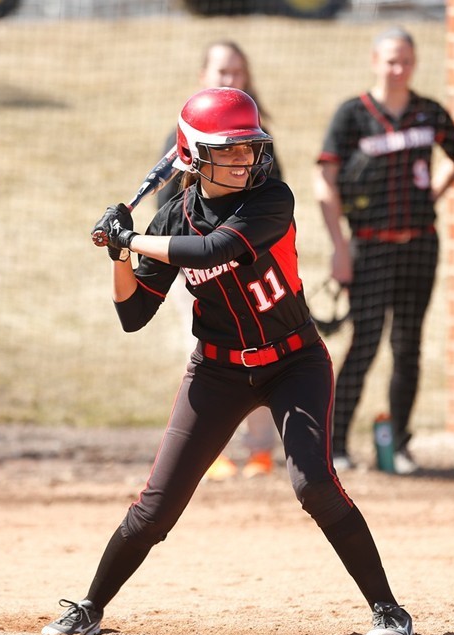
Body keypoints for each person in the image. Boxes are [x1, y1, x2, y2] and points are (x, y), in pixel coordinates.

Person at [43, 87, 414, 635]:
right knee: (156, 506)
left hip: (294, 361)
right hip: (217, 371)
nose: (245, 159)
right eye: (228, 150)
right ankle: (90, 607)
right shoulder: (173, 218)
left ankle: (388, 610)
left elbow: (215, 249)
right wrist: (120, 255)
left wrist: (133, 238)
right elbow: (133, 314)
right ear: (194, 155)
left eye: (249, 147)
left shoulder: (271, 198)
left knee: (314, 484)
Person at [315, 27, 454, 473]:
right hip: (370, 245)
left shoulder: (428, 112)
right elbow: (324, 180)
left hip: (419, 243)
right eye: (390, 60)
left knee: (408, 345)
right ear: (375, 61)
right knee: (364, 344)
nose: (398, 68)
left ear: (414, 63)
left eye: (405, 61)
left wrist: (433, 195)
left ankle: (399, 444)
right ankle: (335, 445)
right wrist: (339, 247)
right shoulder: (353, 115)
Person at [157, 40, 283, 480]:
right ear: (203, 76)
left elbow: (272, 208)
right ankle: (210, 450)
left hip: (248, 269)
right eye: (221, 72)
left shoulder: (258, 138)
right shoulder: (183, 138)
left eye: (237, 72)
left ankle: (261, 450)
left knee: (261, 352)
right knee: (201, 356)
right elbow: (168, 213)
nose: (229, 79)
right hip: (196, 271)